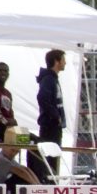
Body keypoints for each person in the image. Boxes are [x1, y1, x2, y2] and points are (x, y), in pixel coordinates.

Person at [34, 48, 66, 180]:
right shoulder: (48, 79)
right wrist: (55, 116)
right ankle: (48, 188)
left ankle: (52, 187)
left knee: (54, 160)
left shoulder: (53, 79)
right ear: (56, 61)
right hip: (50, 126)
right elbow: (42, 98)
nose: (65, 63)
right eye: (63, 60)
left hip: (54, 126)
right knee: (50, 160)